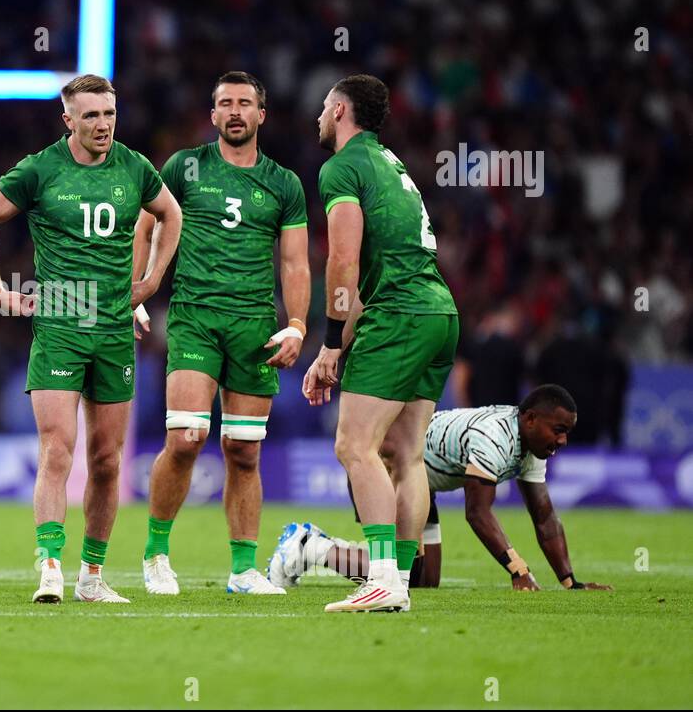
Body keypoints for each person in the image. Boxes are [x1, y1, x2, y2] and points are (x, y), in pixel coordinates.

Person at [0, 73, 182, 603]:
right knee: (58, 449)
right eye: (90, 116)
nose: (103, 125)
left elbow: (170, 214)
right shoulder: (40, 169)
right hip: (60, 323)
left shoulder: (135, 166)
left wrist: (151, 281)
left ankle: (92, 576)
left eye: (109, 114)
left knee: (108, 460)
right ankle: (50, 568)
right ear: (68, 120)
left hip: (113, 328)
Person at [135, 71, 310, 597]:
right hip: (194, 317)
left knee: (244, 450)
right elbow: (147, 225)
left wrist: (298, 324)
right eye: (224, 104)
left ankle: (242, 570)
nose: (235, 112)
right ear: (213, 115)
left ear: (262, 114)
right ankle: (156, 555)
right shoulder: (184, 166)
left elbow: (296, 263)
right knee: (186, 438)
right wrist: (139, 291)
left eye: (245, 104)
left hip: (255, 325)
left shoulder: (285, 184)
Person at [302, 74, 459, 613]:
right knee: (407, 454)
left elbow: (342, 260)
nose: (319, 117)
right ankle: (402, 574)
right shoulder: (390, 163)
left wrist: (326, 344)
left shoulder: (341, 167)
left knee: (354, 446)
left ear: (341, 110)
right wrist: (342, 347)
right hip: (439, 310)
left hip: (400, 315)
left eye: (325, 108)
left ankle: (385, 577)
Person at [268, 385, 612, 593]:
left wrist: (570, 582)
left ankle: (312, 547)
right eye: (559, 430)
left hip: (421, 483)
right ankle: (307, 548)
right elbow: (477, 513)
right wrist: (518, 569)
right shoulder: (494, 437)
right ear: (531, 419)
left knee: (425, 580)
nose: (563, 440)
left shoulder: (532, 445)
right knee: (402, 573)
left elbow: (545, 518)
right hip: (389, 472)